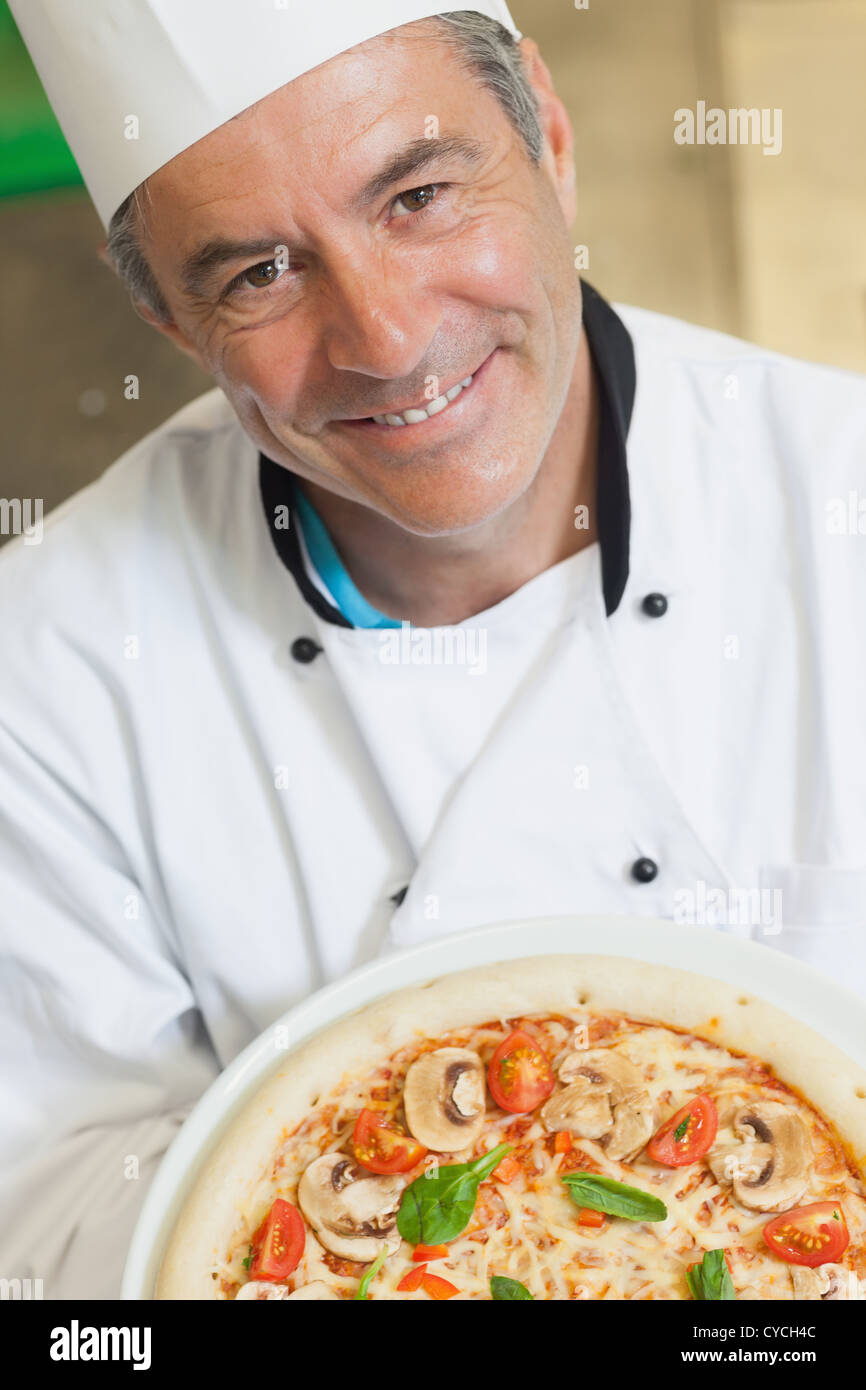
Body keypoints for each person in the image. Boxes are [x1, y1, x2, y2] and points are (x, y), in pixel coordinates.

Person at [2, 0, 864, 1299]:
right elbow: (45, 1203)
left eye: (415, 195)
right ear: (173, 326)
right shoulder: (48, 658)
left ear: (549, 133)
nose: (389, 339)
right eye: (258, 274)